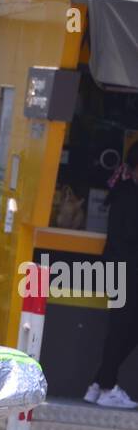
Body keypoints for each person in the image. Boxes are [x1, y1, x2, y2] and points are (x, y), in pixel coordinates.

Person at [85, 140, 138, 409]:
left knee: (125, 330)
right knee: (121, 330)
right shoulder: (128, 195)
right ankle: (106, 387)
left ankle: (99, 384)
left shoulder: (123, 191)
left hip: (121, 268)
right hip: (125, 269)